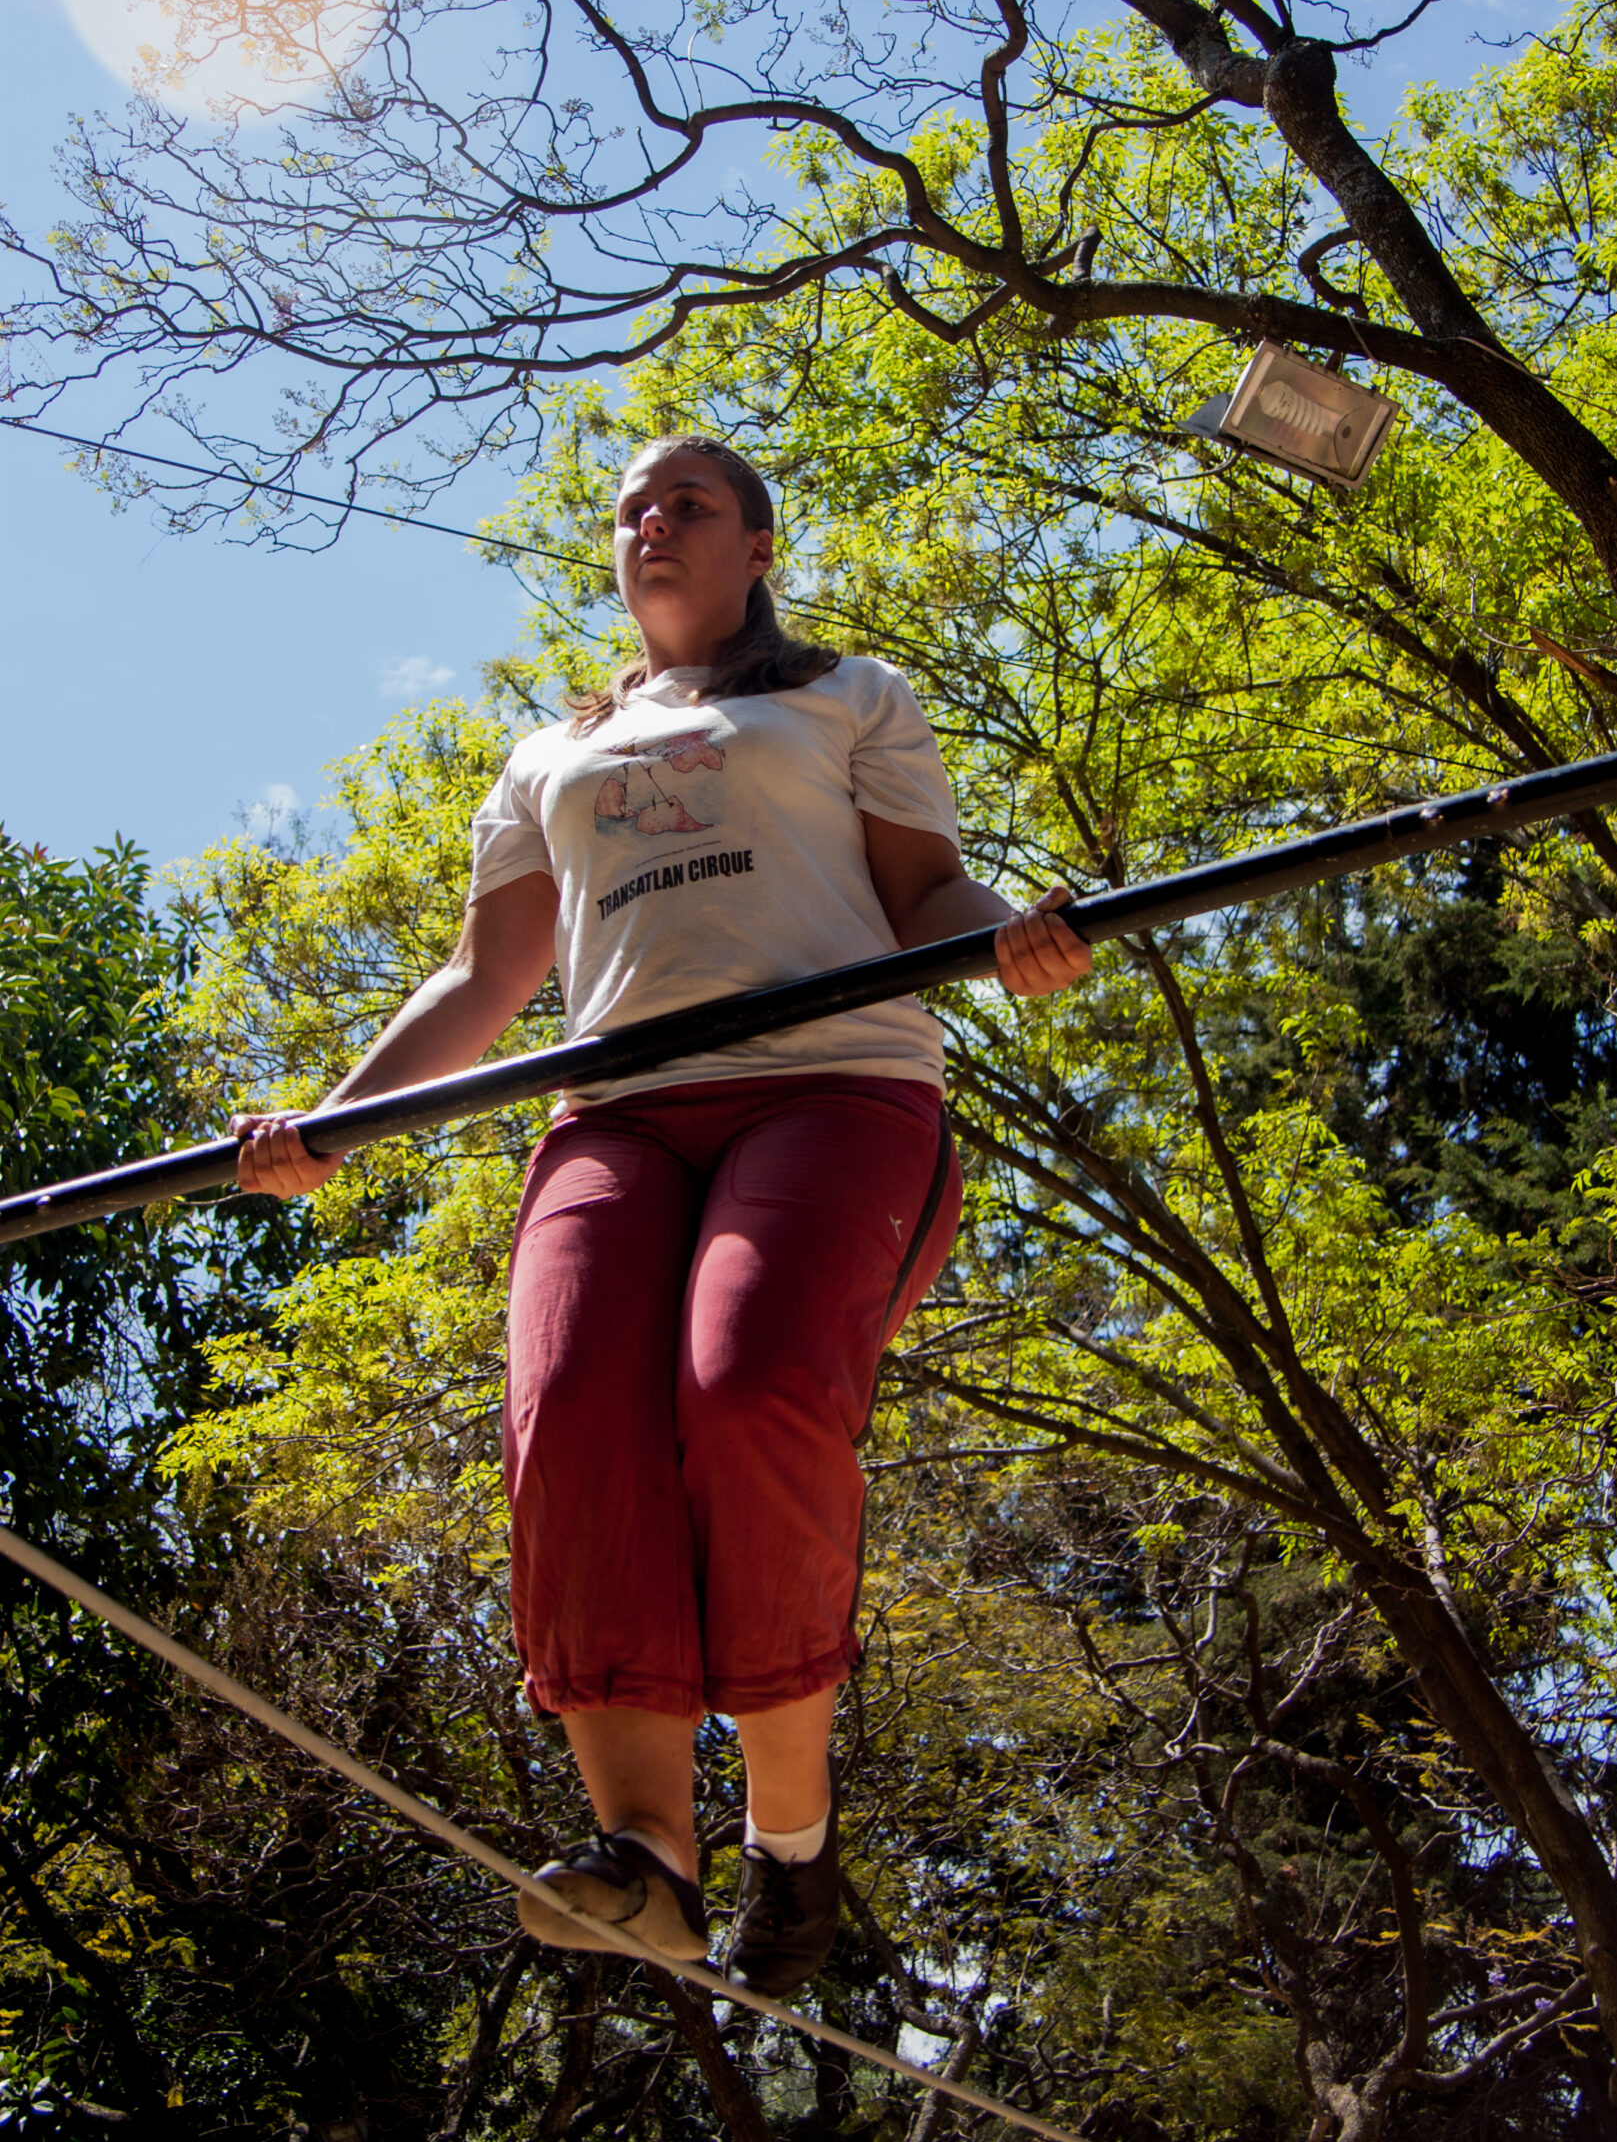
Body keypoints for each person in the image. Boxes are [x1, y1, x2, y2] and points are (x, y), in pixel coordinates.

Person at [234, 434, 1092, 1995]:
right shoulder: (547, 754)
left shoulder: (847, 698)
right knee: (566, 1416)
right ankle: (647, 1861)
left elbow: (925, 899)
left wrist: (1008, 939)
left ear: (758, 547)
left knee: (747, 1384)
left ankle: (790, 1835)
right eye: (632, 510)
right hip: (617, 1111)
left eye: (688, 503)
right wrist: (335, 1120)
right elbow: (490, 978)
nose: (651, 525)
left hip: (832, 1086)